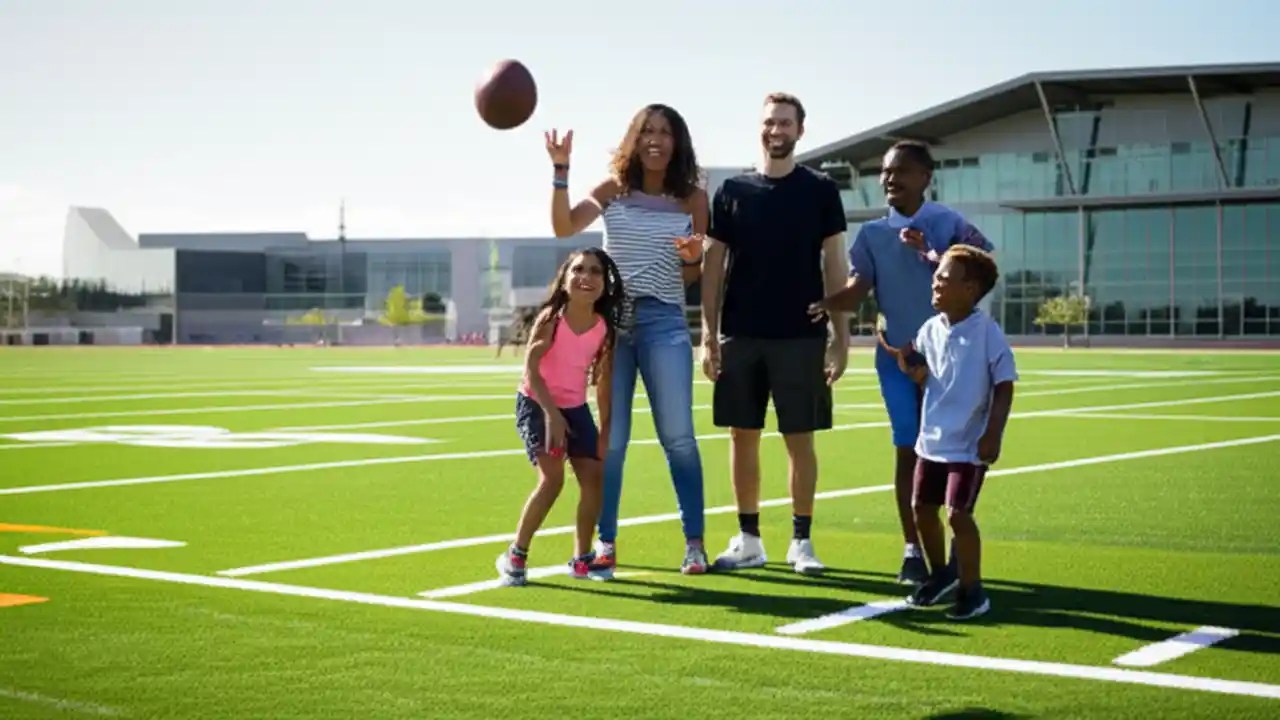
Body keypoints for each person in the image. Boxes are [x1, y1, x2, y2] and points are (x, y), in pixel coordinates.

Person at [810, 140, 992, 585]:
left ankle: (951, 548)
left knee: (951, 452)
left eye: (902, 171)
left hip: (950, 365)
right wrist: (822, 303)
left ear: (926, 178)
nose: (891, 179)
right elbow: (858, 289)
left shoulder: (948, 223)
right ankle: (913, 548)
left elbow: (983, 271)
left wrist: (931, 253)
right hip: (896, 358)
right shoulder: (872, 235)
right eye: (886, 173)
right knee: (907, 449)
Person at [544, 103, 709, 574]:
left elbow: (693, 274)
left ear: (678, 143)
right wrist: (561, 171)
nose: (655, 140)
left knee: (678, 437)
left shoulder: (693, 199)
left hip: (665, 324)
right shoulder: (613, 191)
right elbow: (563, 226)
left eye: (665, 132)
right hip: (613, 327)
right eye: (646, 131)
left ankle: (694, 543)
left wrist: (693, 257)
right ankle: (606, 542)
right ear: (633, 140)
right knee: (610, 442)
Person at [701, 92, 850, 576]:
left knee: (798, 439)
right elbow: (713, 264)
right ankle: (748, 540)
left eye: (785, 123)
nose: (776, 130)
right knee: (741, 437)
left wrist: (840, 333)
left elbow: (834, 263)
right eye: (769, 122)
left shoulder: (821, 191)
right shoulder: (733, 192)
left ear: (800, 131)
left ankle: (801, 542)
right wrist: (708, 332)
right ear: (760, 128)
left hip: (801, 335)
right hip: (740, 335)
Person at [894, 243, 1016, 620]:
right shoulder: (931, 328)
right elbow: (914, 357)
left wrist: (993, 433)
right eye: (936, 277)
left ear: (970, 289)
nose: (936, 283)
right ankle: (941, 574)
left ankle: (972, 589)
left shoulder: (987, 333)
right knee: (921, 510)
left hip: (967, 445)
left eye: (944, 278)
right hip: (931, 440)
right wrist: (911, 367)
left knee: (958, 514)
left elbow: (1005, 383)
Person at [496, 248, 625, 587]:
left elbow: (603, 383)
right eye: (578, 270)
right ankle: (516, 555)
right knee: (552, 480)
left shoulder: (603, 329)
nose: (587, 277)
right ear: (565, 280)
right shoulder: (552, 318)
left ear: (605, 282)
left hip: (575, 408)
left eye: (596, 271)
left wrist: (606, 427)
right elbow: (532, 371)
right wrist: (552, 415)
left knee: (594, 478)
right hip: (538, 403)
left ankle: (582, 559)